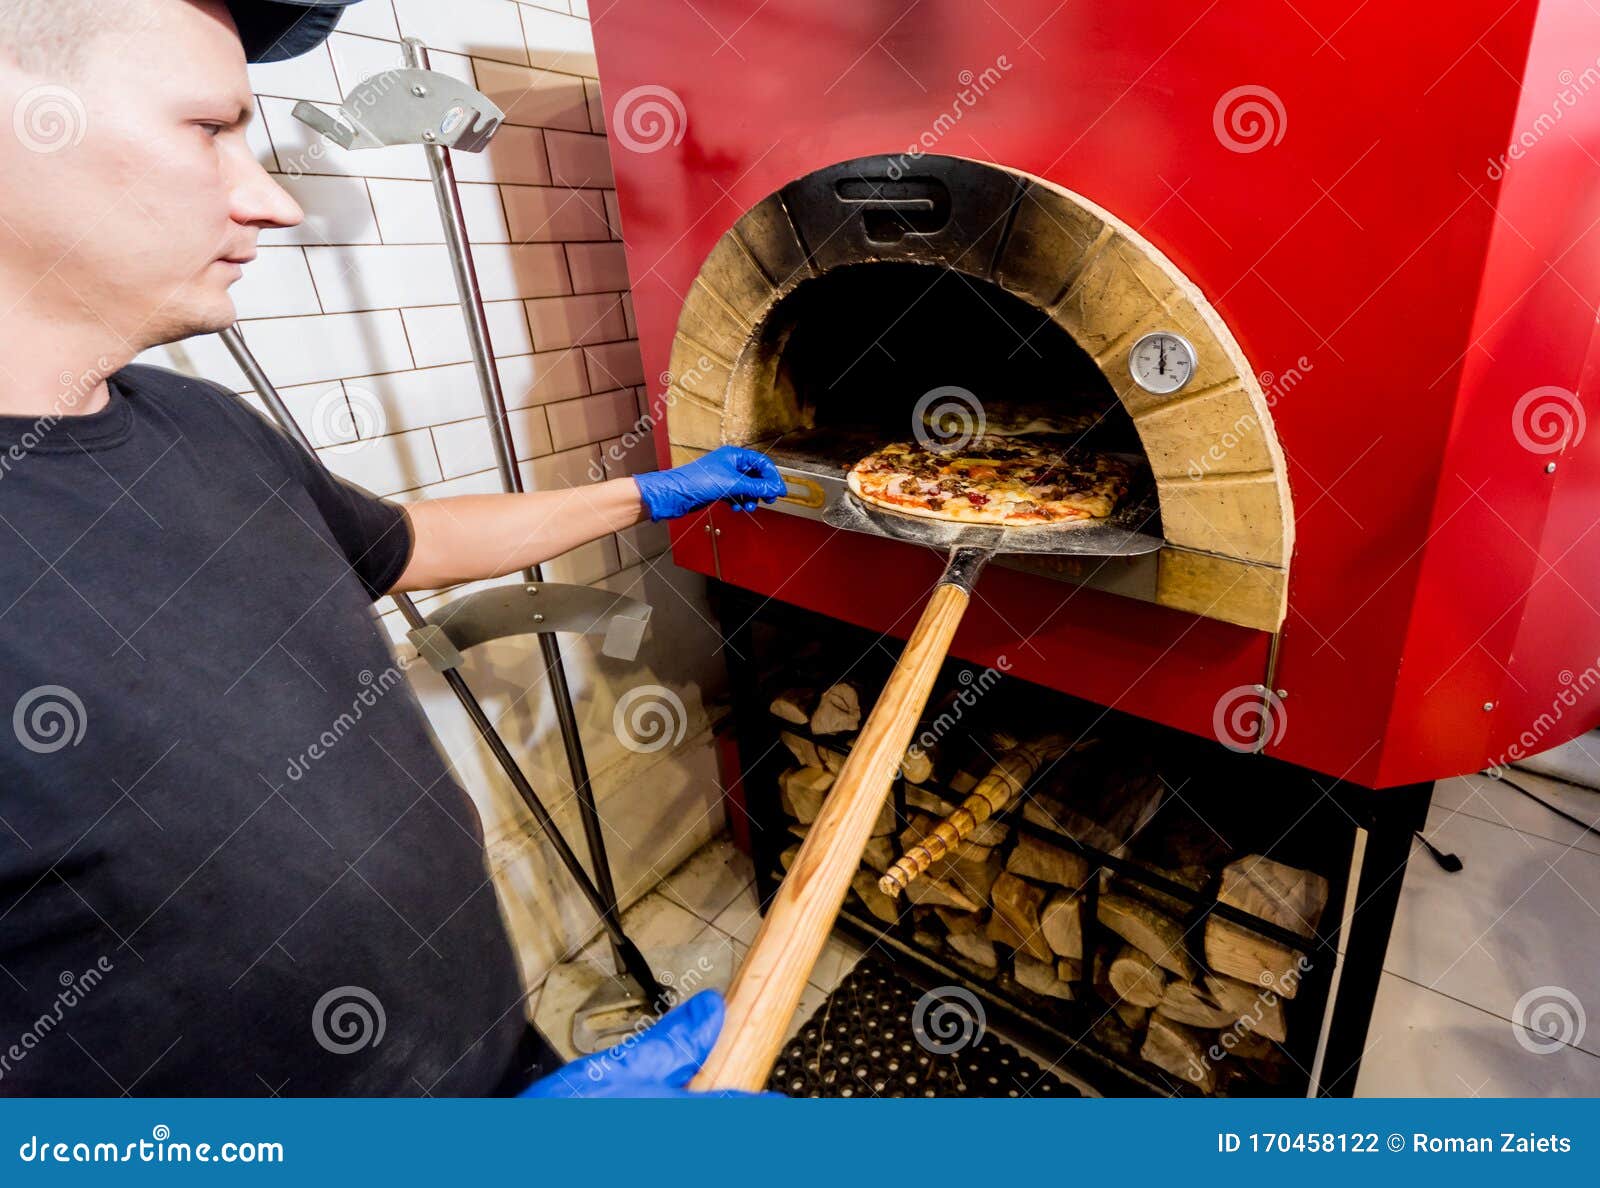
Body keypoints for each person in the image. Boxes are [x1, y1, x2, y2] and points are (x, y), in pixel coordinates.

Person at [0, 0, 783, 1096]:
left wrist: (649, 493)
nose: (271, 201)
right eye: (208, 128)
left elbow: (407, 543)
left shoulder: (198, 424)